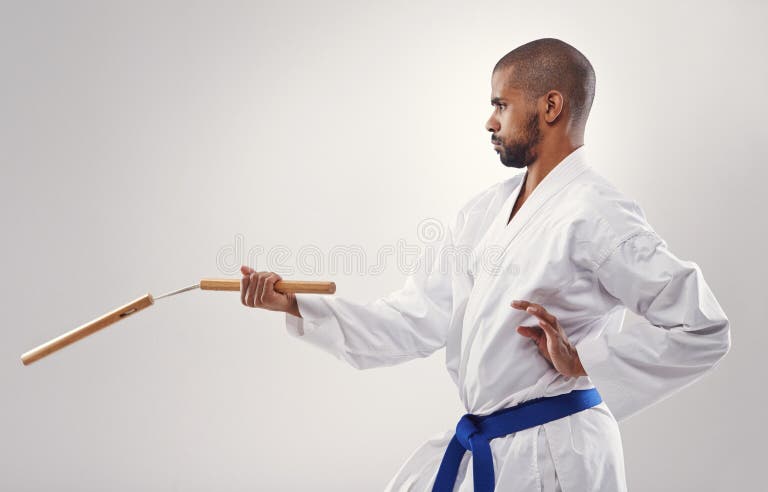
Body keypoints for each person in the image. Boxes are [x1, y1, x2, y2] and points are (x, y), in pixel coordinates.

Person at [237, 38, 731, 491]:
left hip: (557, 456)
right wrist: (295, 304)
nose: (490, 121)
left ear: (551, 106)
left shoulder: (597, 213)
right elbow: (413, 319)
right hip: (491, 445)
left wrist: (585, 361)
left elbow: (702, 327)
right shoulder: (483, 213)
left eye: (501, 104)